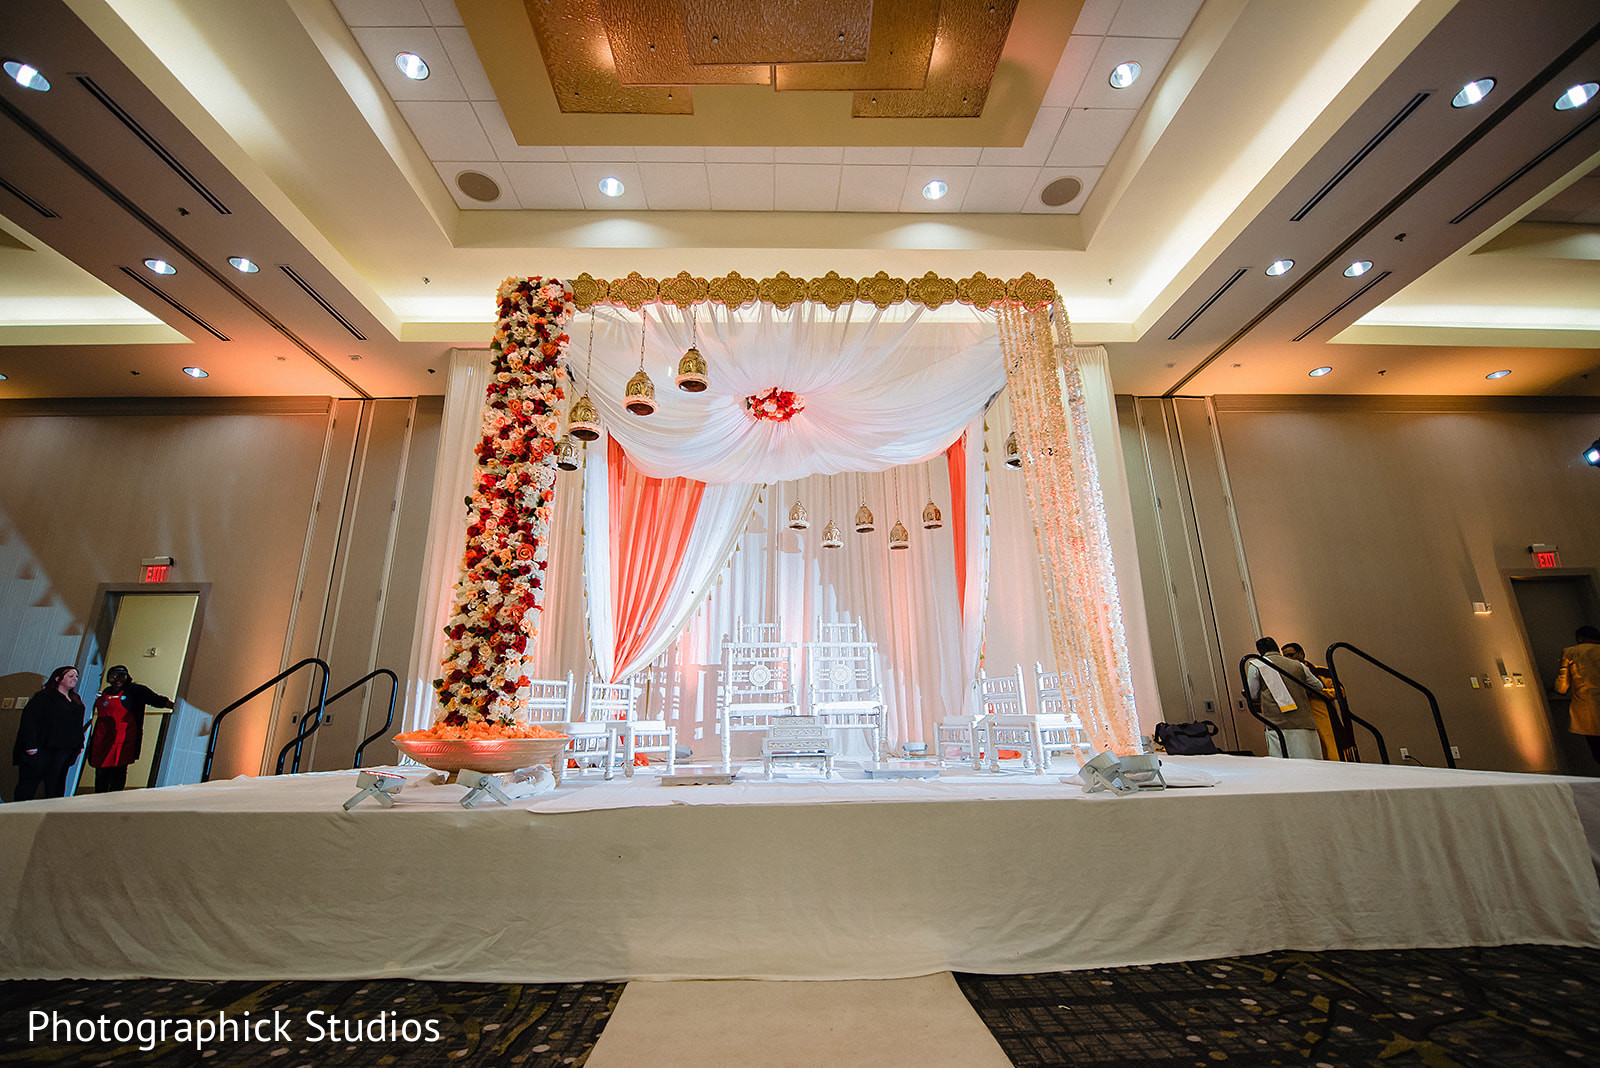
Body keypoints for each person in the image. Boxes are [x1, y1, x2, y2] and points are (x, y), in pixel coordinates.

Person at [86, 665, 175, 793]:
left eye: (121, 676)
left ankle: (114, 803)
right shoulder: (106, 692)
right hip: (102, 740)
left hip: (123, 740)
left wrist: (178, 708)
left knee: (118, 773)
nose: (117, 679)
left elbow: (158, 700)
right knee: (101, 774)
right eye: (113, 676)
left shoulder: (137, 690)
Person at [11, 666, 87, 800]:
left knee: (56, 787)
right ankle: (18, 814)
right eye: (71, 676)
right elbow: (29, 721)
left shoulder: (75, 700)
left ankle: (52, 816)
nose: (75, 679)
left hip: (64, 751)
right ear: (58, 678)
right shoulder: (44, 697)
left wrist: (79, 745)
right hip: (43, 749)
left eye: (76, 676)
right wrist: (30, 744)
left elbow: (77, 725)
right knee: (28, 784)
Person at [1245, 636, 1328, 759]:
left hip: (1277, 723)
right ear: (1277, 648)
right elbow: (1318, 686)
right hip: (1304, 721)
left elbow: (1252, 694)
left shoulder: (1257, 664)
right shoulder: (1297, 665)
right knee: (1311, 761)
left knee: (1284, 763)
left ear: (1259, 652)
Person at [1281, 642, 1348, 762]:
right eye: (1285, 657)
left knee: (1333, 752)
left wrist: (1317, 693)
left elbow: (1340, 691)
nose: (1289, 659)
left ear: (1301, 654)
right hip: (1302, 721)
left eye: (1291, 655)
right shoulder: (1285, 676)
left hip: (1324, 719)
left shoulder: (1320, 672)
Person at [1555, 626, 1600, 764]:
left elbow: (1562, 686)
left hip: (1588, 707)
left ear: (1579, 638)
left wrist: (1557, 689)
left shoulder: (1571, 652)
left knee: (1597, 748)